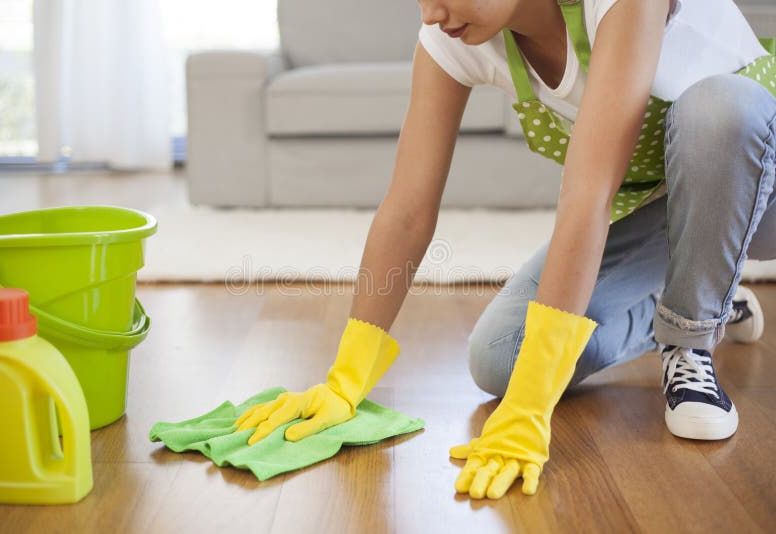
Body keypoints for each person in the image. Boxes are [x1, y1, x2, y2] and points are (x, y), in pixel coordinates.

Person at [232, 0, 776, 500]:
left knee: (720, 108)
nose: (430, 13)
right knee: (500, 357)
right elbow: (407, 210)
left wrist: (531, 408)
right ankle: (704, 292)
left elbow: (586, 196)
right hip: (659, 210)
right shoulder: (453, 38)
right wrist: (346, 379)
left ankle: (692, 334)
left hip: (760, 194)